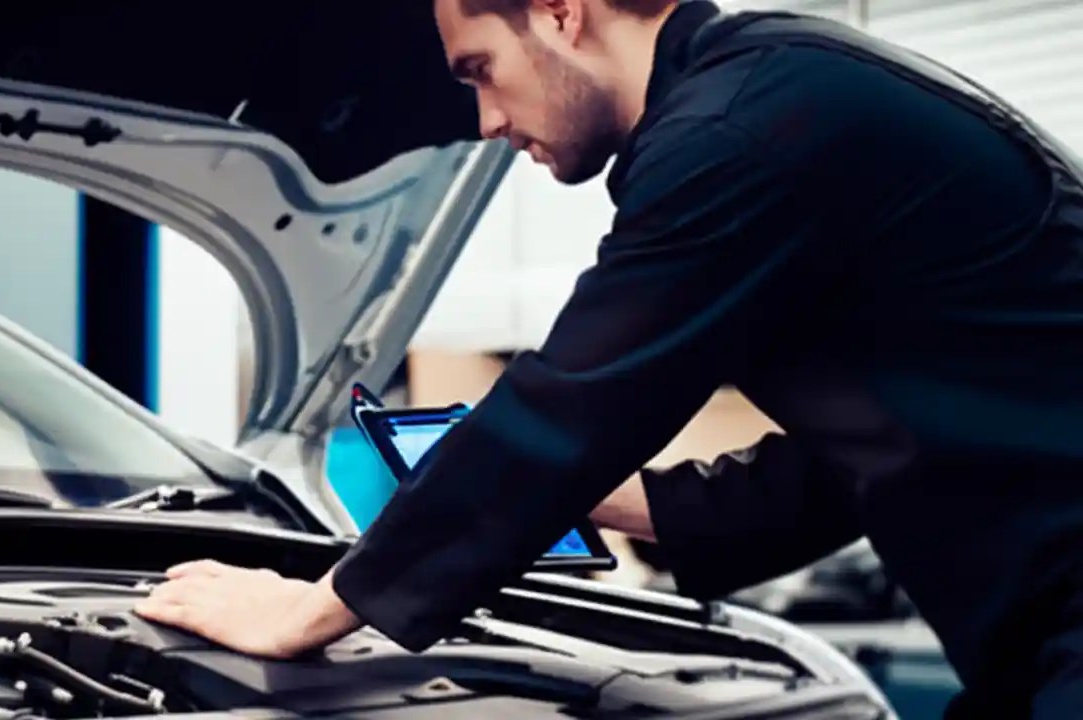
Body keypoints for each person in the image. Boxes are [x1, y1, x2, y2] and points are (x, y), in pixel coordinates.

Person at [134, 0, 1083, 715]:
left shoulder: (735, 132)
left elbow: (571, 404)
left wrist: (310, 612)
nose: (486, 123)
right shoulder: (776, 93)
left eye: (480, 70)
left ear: (558, 11)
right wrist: (596, 495)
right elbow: (866, 457)